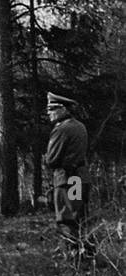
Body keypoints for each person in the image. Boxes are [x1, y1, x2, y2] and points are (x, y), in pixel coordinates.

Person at [44, 92, 97, 264]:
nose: (49, 113)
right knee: (80, 218)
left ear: (63, 109)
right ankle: (87, 257)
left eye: (52, 109)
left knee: (67, 218)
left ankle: (73, 261)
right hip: (79, 178)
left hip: (67, 179)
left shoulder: (62, 129)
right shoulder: (80, 126)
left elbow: (51, 159)